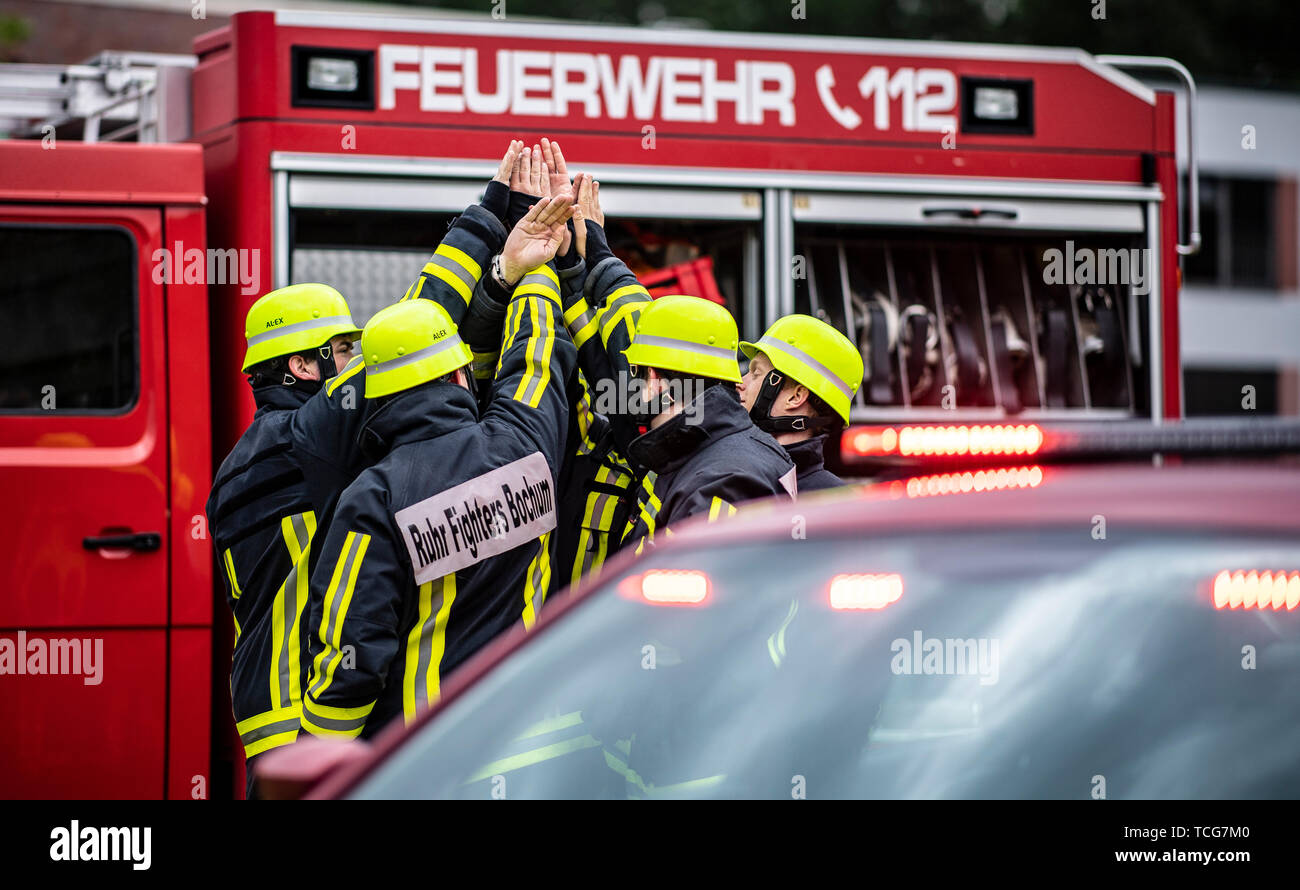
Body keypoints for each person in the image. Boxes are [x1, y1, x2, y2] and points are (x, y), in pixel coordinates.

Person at [300, 194, 577, 739]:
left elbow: (349, 660)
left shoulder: (373, 498)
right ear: (459, 377)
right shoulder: (525, 446)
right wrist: (538, 273)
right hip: (529, 745)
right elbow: (537, 358)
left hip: (428, 763)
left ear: (379, 397)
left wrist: (310, 769)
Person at [205, 283, 361, 792]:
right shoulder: (296, 441)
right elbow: (402, 358)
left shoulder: (258, 451)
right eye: (341, 351)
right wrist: (494, 247)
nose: (353, 361)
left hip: (277, 708)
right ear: (303, 366)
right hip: (296, 712)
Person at [737, 314, 865, 490]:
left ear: (795, 397)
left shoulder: (831, 503)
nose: (739, 383)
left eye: (756, 374)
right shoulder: (734, 471)